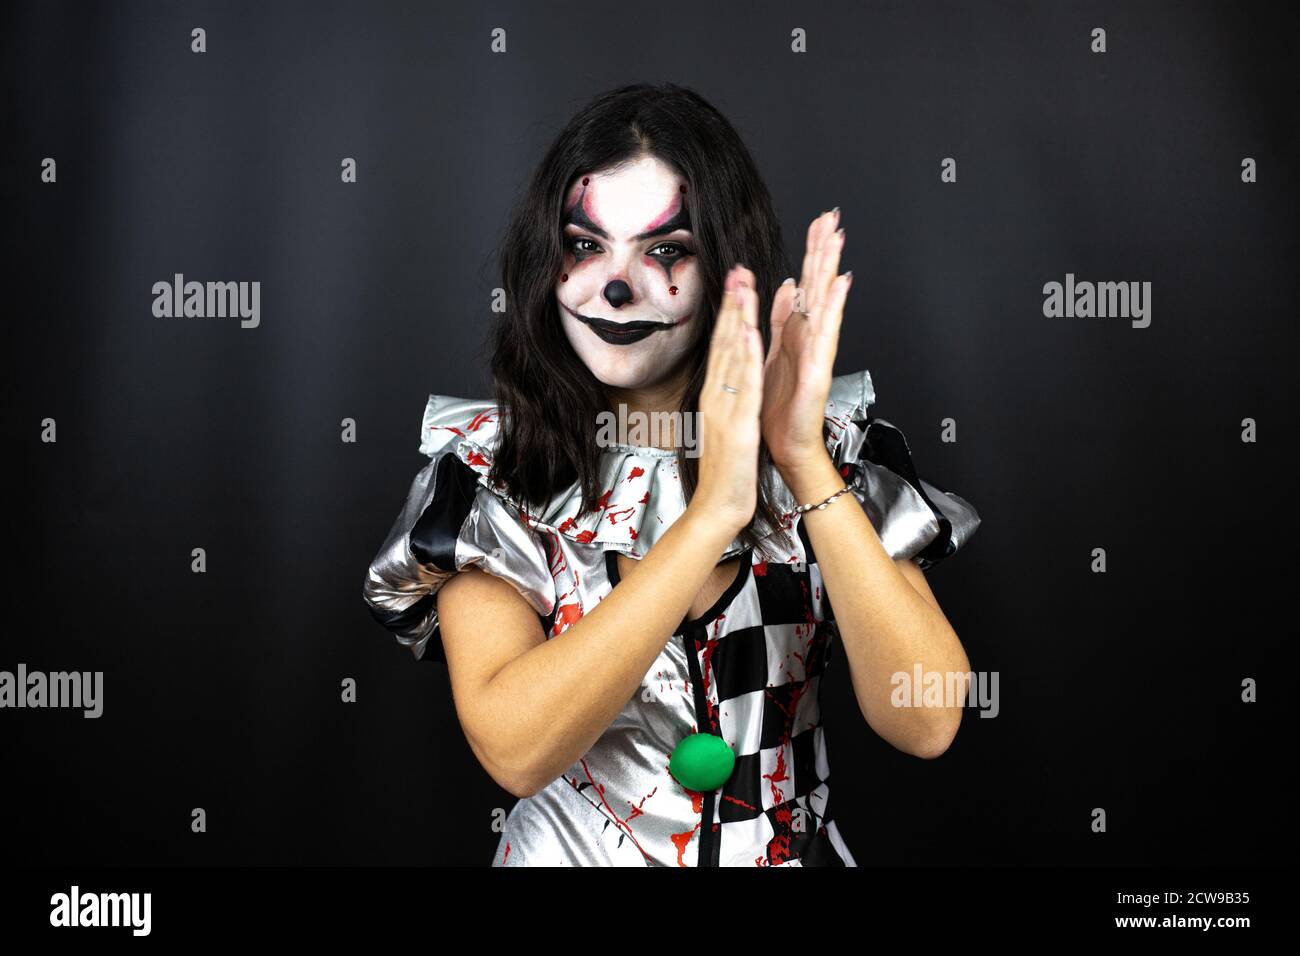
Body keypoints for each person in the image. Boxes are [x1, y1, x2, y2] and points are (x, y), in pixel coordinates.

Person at [362, 83, 980, 866]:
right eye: (585, 245)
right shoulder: (495, 473)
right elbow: (516, 752)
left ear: (726, 260)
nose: (618, 286)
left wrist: (800, 459)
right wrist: (708, 520)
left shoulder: (829, 450)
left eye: (666, 250)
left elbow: (925, 721)